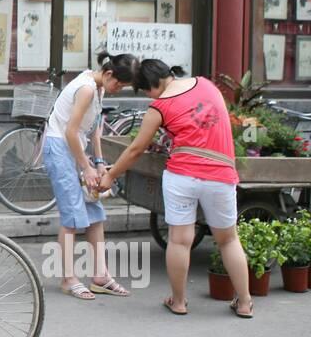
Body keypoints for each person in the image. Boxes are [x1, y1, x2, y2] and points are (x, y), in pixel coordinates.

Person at [97, 60, 253, 318]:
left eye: (146, 91)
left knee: (180, 241)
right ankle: (245, 303)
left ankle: (179, 302)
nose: (149, 96)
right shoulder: (206, 84)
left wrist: (111, 175)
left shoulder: (159, 107)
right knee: (228, 240)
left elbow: (136, 149)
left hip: (182, 176)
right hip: (220, 174)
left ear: (151, 85)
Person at [44, 51, 138, 301]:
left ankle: (100, 275)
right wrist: (86, 167)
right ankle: (68, 279)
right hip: (60, 147)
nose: (119, 89)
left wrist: (98, 163)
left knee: (94, 211)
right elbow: (71, 132)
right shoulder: (86, 88)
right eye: (119, 83)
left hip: (75, 148)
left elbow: (94, 127)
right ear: (108, 74)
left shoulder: (98, 87)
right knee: (73, 215)